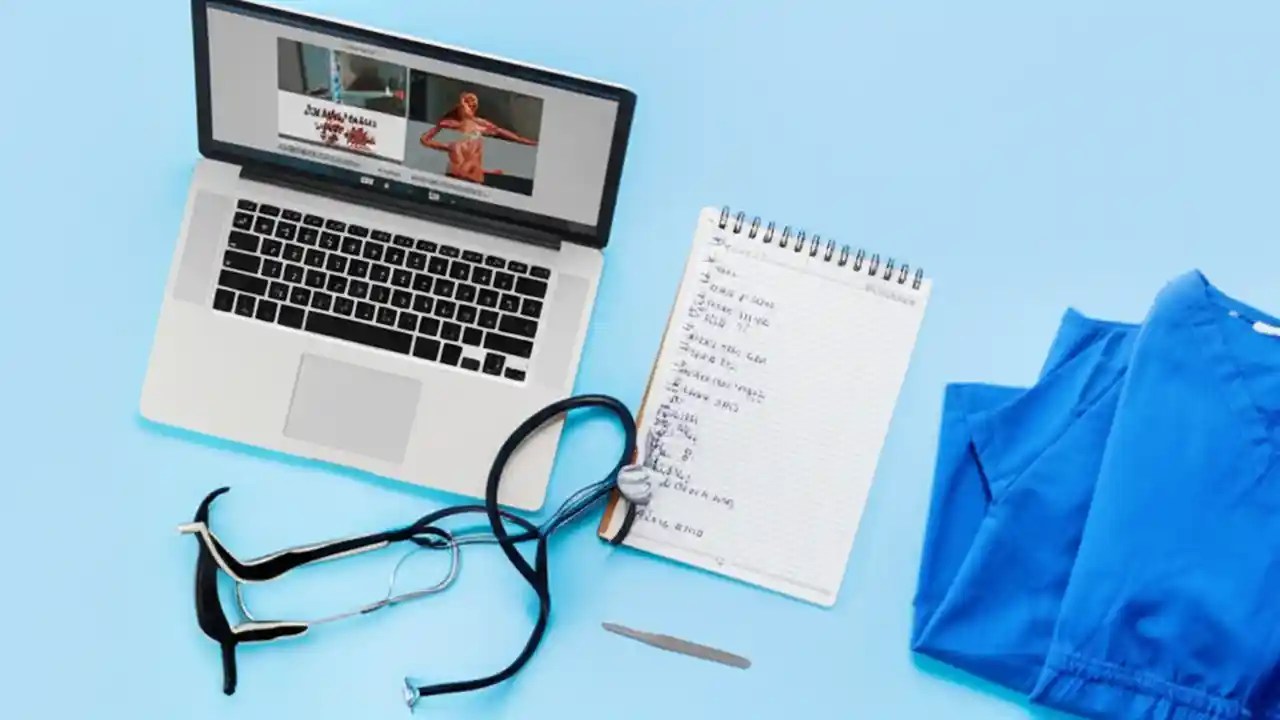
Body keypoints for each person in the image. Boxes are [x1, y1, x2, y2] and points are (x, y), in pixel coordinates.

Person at [419, 91, 537, 184]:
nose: (470, 106)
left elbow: (504, 133)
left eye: (472, 104)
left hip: (473, 180)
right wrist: (438, 127)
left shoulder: (480, 127)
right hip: (456, 179)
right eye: (467, 103)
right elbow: (425, 140)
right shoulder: (453, 137)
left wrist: (528, 142)